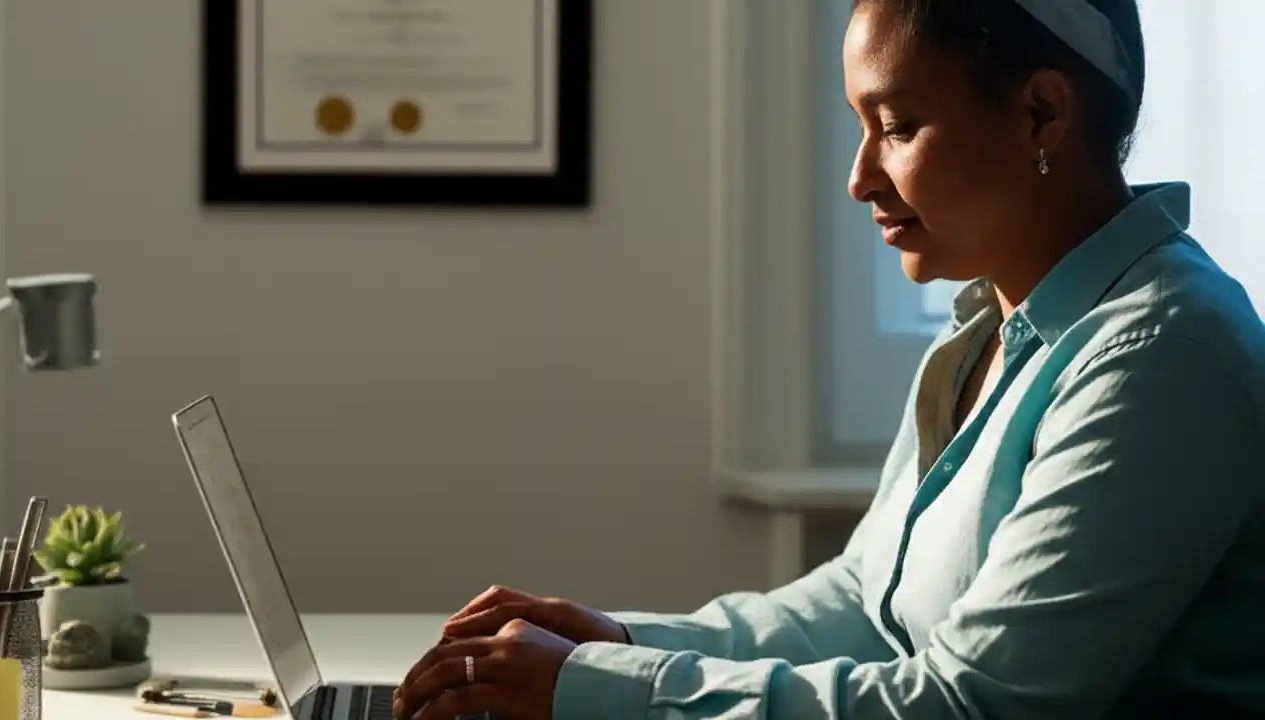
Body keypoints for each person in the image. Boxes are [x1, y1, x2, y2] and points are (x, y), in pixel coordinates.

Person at [395, 0, 1265, 717]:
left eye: (896, 125)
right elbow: (863, 600)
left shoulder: (1161, 357)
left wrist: (586, 690)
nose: (859, 176)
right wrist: (616, 642)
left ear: (1042, 111)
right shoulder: (990, 332)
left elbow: (977, 707)